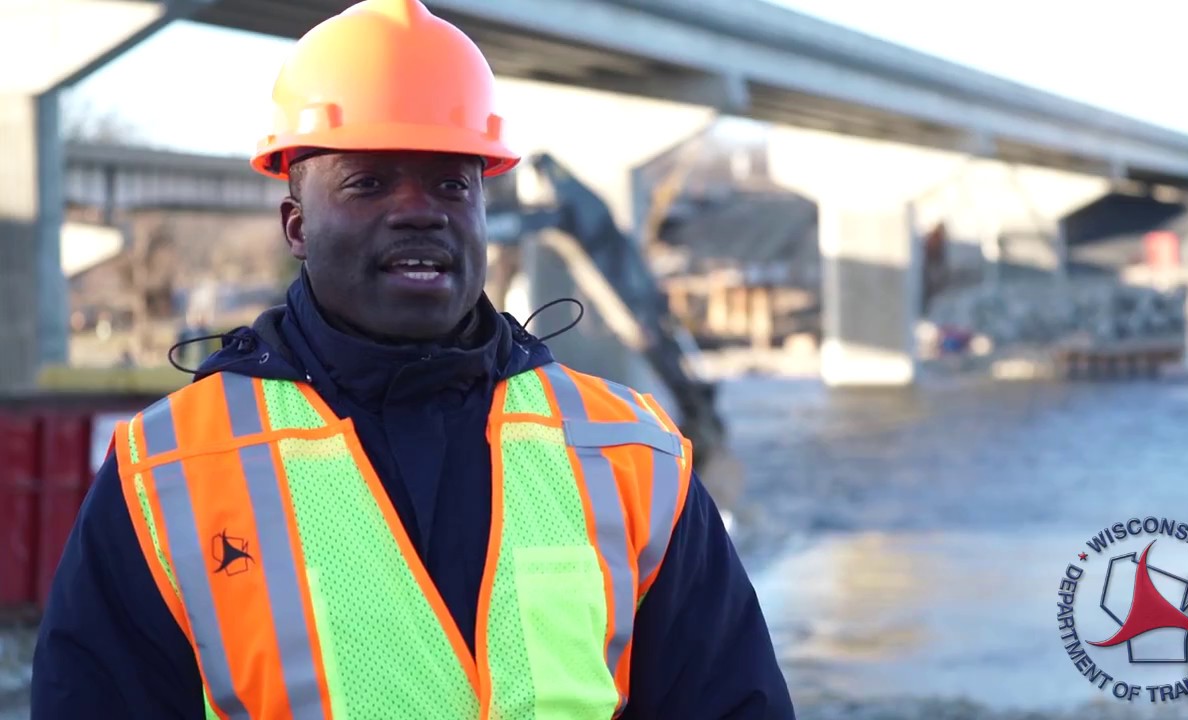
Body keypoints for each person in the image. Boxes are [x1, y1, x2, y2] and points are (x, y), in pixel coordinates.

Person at [30, 1, 795, 717]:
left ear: (483, 212)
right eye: (367, 182)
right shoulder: (170, 473)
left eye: (450, 182)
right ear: (296, 224)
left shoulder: (630, 453)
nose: (420, 209)